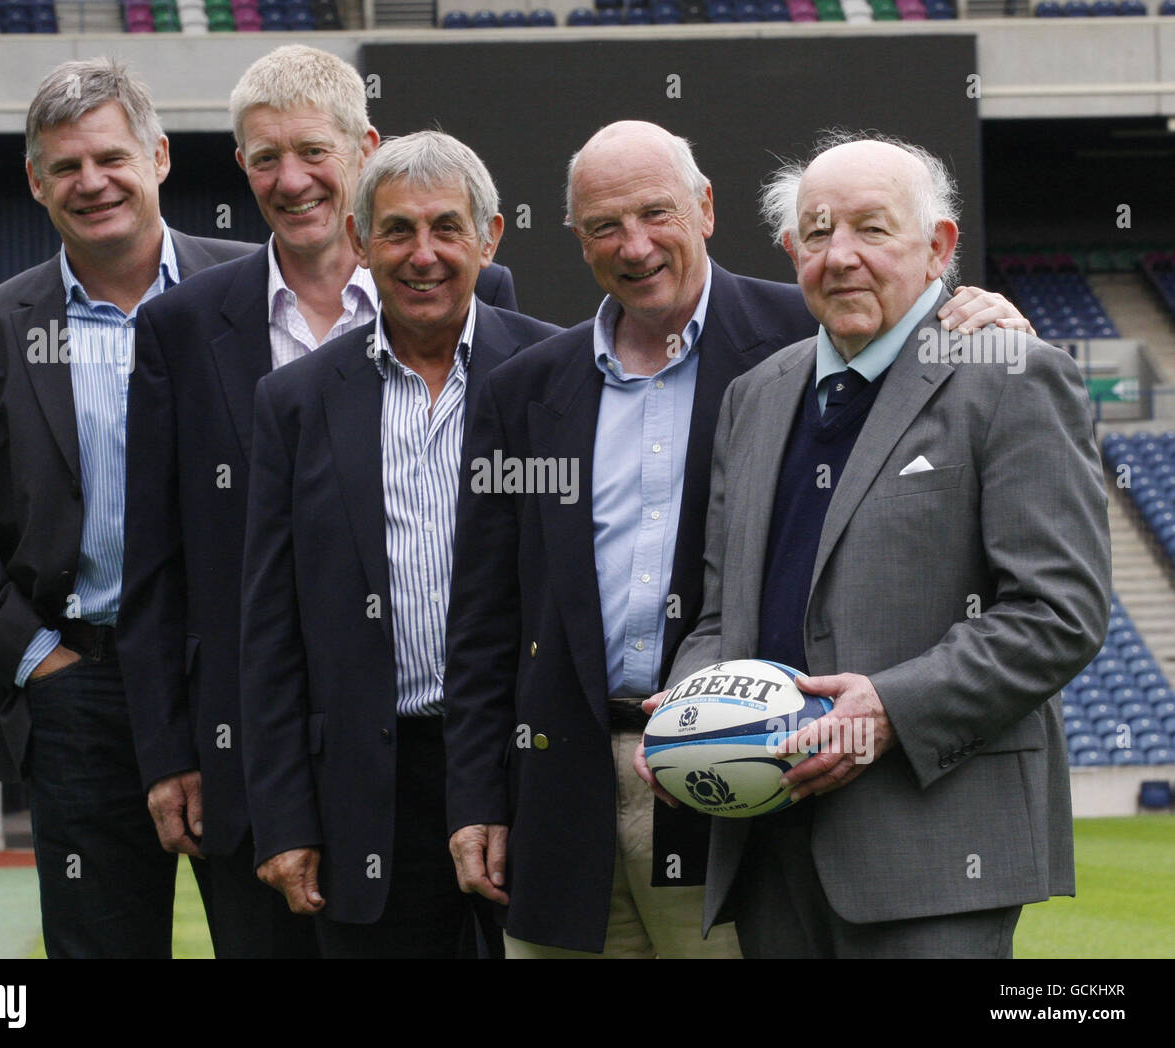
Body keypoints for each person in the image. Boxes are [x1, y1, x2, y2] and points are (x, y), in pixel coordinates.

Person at [442, 120, 1032, 958]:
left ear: (707, 208)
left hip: (734, 786)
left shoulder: (816, 330)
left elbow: (938, 351)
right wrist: (475, 797)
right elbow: (482, 619)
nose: (635, 245)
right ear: (577, 239)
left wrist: (991, 316)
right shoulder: (524, 390)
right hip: (557, 797)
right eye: (604, 225)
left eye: (656, 213)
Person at [636, 132, 1110, 958]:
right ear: (792, 252)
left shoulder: (1010, 374)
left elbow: (1059, 613)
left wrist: (888, 709)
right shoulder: (757, 396)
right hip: (768, 844)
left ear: (938, 248)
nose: (841, 255)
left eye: (871, 229)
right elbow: (721, 615)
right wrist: (683, 710)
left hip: (933, 851)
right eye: (817, 233)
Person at [118, 46, 517, 957]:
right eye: (264, 158)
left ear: (363, 150)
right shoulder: (182, 325)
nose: (290, 180)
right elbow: (158, 559)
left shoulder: (483, 301)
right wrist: (174, 749)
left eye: (312, 152)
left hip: (466, 739)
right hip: (264, 745)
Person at [0, 58, 259, 957]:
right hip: (80, 696)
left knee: (276, 941)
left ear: (159, 157)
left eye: (109, 157)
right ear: (35, 181)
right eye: (64, 166)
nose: (91, 182)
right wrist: (40, 665)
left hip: (240, 685)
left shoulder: (257, 294)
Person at [240, 131, 559, 958]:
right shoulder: (295, 401)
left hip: (529, 773)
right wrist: (282, 817)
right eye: (397, 231)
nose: (424, 255)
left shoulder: (559, 374)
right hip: (367, 793)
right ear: (357, 241)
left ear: (490, 238)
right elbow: (269, 630)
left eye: (447, 228)